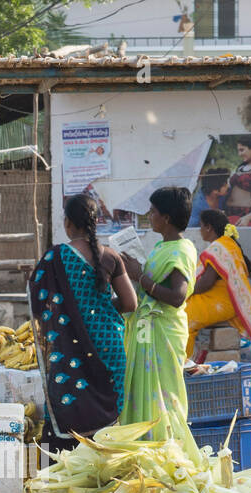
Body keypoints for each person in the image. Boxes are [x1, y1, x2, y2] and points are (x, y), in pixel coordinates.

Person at [29, 192, 138, 449]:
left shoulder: (53, 259)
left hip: (69, 351)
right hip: (108, 348)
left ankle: (64, 464)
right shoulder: (110, 257)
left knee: (70, 401)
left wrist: (71, 314)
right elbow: (130, 304)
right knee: (107, 424)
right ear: (96, 221)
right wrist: (97, 310)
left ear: (67, 223)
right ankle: (105, 468)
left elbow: (38, 303)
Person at [118, 186, 199, 457]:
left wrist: (139, 276)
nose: (149, 216)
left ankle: (169, 452)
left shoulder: (181, 250)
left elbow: (177, 296)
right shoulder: (162, 247)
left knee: (166, 395)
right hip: (149, 330)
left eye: (152, 211)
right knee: (147, 394)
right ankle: (145, 450)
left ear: (166, 217)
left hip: (164, 332)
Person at [184, 209, 251, 359]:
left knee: (183, 318)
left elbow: (206, 283)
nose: (200, 230)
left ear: (208, 227)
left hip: (223, 302)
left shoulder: (219, 247)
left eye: (201, 226)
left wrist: (185, 291)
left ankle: (185, 362)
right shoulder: (227, 244)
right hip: (224, 299)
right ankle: (196, 355)